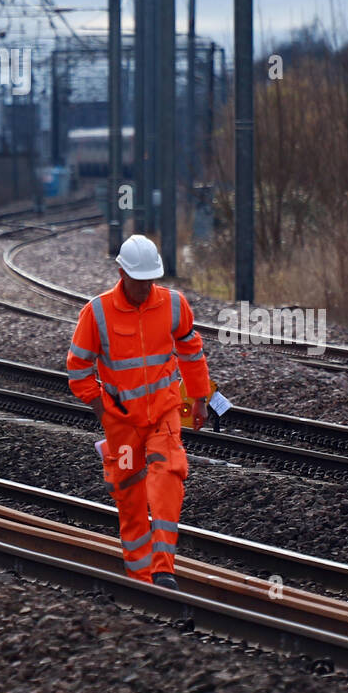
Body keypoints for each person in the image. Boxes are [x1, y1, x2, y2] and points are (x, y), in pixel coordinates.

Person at [66, 234, 210, 589]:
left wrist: (200, 398)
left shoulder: (173, 305)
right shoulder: (97, 313)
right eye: (139, 280)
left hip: (164, 412)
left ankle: (163, 570)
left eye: (151, 280)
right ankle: (141, 582)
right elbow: (78, 369)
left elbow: (191, 351)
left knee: (169, 474)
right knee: (130, 496)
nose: (145, 287)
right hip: (122, 423)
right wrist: (104, 413)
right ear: (122, 273)